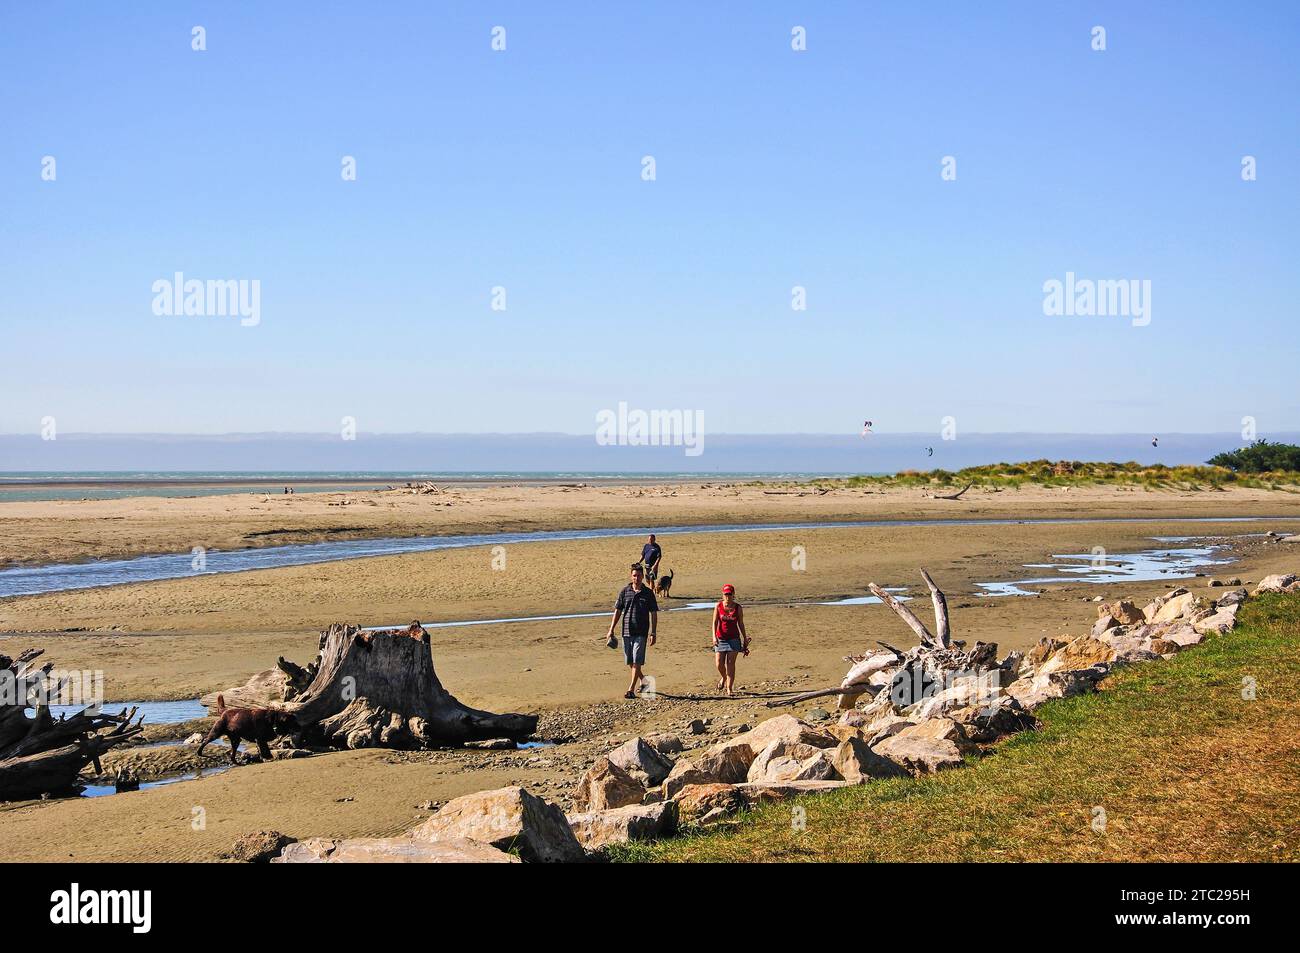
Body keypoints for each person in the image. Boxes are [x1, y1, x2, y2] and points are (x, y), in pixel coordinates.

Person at [605, 564, 659, 699]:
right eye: (634, 575)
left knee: (637, 661)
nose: (637, 578)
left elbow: (653, 613)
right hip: (626, 631)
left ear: (642, 576)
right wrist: (611, 630)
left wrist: (653, 632)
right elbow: (618, 611)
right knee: (630, 661)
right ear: (631, 576)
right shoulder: (625, 591)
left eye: (639, 575)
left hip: (641, 632)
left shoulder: (648, 593)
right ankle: (645, 681)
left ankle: (631, 689)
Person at [711, 584, 750, 696]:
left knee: (730, 663)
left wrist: (745, 637)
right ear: (723, 595)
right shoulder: (718, 606)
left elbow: (741, 623)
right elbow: (714, 623)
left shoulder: (738, 608)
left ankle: (729, 688)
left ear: (733, 594)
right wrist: (714, 637)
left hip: (734, 639)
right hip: (721, 639)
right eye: (725, 594)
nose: (727, 596)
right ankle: (724, 678)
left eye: (729, 594)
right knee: (719, 663)